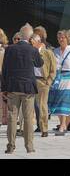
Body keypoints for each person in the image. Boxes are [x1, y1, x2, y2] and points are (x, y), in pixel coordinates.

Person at [2, 25, 39, 154]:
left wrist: (3, 88)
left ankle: (10, 146)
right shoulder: (33, 49)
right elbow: (40, 63)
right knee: (28, 117)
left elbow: (5, 70)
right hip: (28, 88)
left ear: (20, 35)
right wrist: (36, 48)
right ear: (30, 37)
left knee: (12, 116)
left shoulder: (9, 49)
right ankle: (29, 146)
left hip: (13, 87)